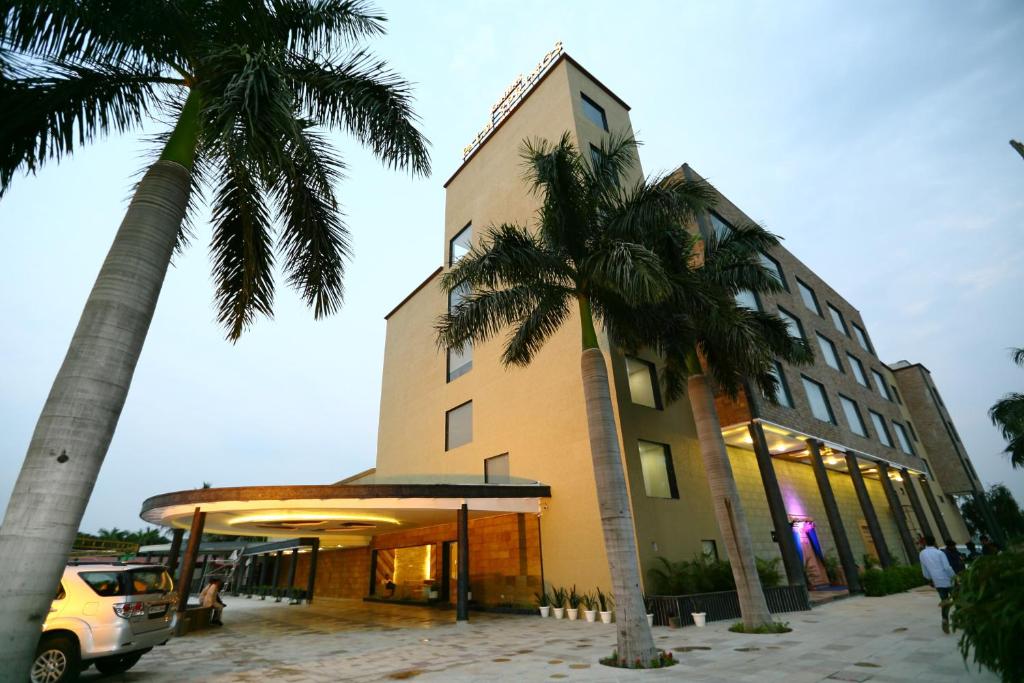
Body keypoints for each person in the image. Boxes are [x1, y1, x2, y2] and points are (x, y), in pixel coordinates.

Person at [919, 535, 955, 634]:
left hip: (937, 582)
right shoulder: (940, 553)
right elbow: (947, 568)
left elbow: (924, 570)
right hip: (948, 580)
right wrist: (954, 577)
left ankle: (945, 619)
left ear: (925, 543)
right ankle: (961, 620)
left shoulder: (922, 554)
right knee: (958, 599)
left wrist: (930, 579)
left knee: (944, 601)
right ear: (934, 542)